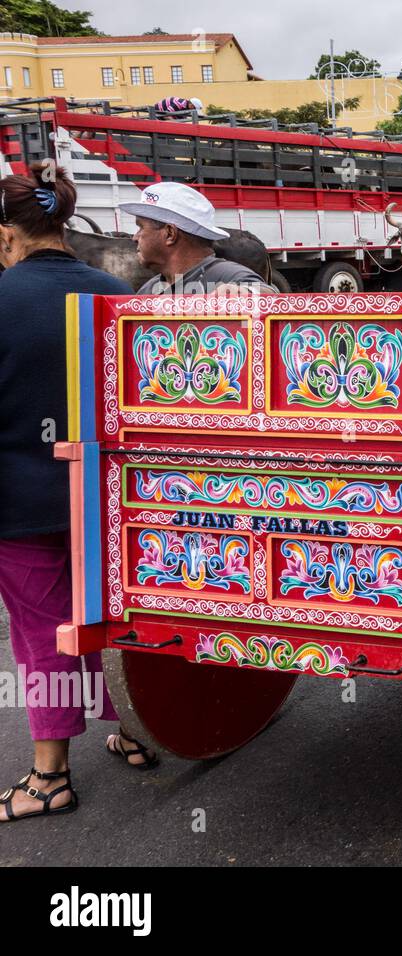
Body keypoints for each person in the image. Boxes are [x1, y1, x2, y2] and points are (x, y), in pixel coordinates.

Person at [0, 161, 158, 824]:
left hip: (22, 503)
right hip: (111, 498)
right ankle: (138, 728)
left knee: (43, 632)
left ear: (8, 232)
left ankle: (50, 777)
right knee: (122, 616)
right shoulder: (113, 292)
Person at [122, 181, 267, 294]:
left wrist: (246, 294)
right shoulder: (148, 290)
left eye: (141, 227)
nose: (135, 237)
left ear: (170, 234)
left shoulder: (225, 276)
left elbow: (268, 295)